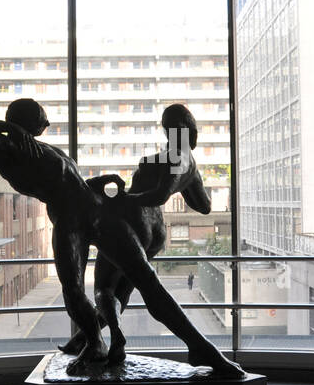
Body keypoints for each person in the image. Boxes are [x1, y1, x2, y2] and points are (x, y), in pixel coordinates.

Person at [0, 99, 243, 378]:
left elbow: (75, 184)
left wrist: (99, 182)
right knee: (75, 291)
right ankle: (95, 342)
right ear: (27, 121)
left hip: (98, 212)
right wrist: (11, 130)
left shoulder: (41, 148)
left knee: (144, 281)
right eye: (43, 117)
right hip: (71, 222)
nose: (49, 122)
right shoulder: (8, 146)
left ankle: (199, 347)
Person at [59, 104, 211, 365]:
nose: (166, 132)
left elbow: (160, 194)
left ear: (180, 128)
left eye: (168, 127)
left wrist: (126, 200)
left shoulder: (174, 155)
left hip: (133, 223)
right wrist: (181, 185)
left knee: (104, 287)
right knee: (123, 290)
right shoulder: (188, 163)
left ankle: (114, 338)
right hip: (156, 231)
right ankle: (85, 339)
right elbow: (205, 206)